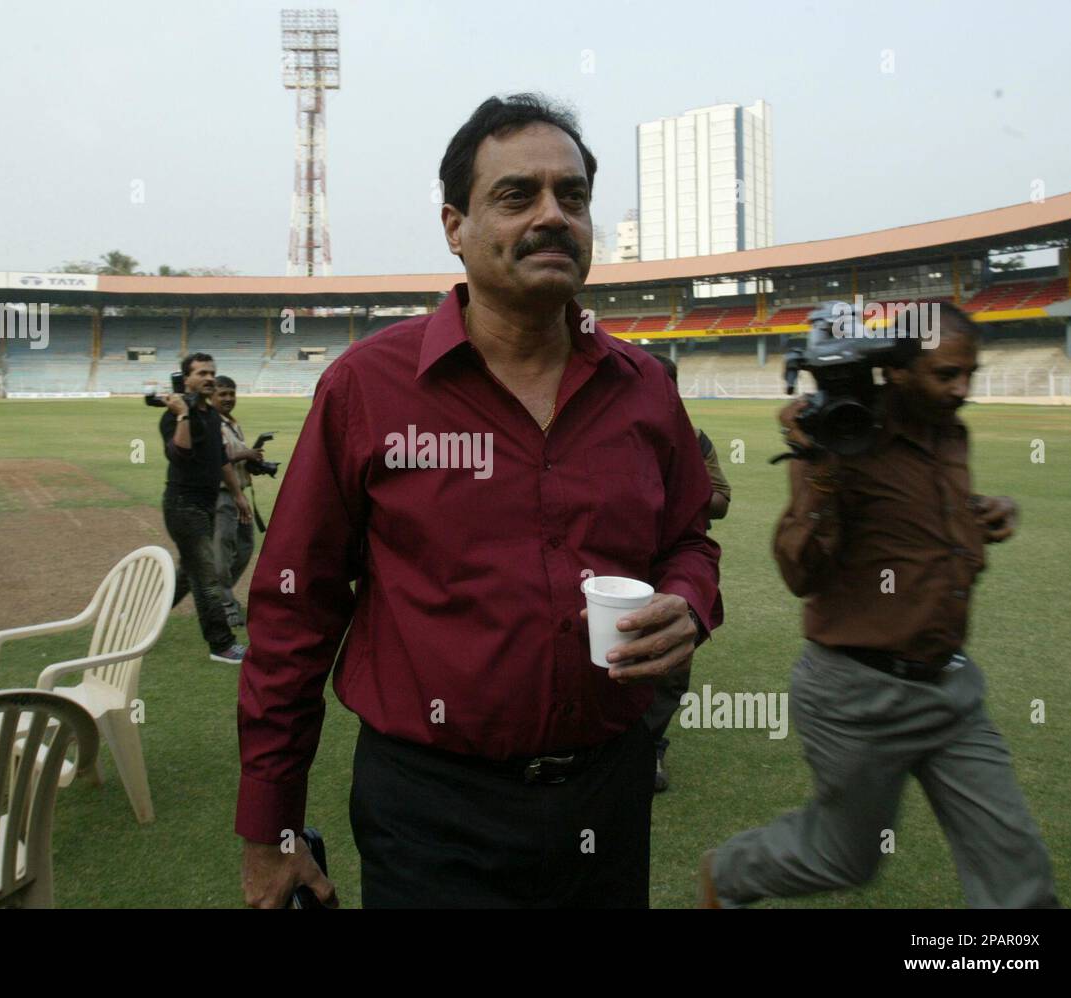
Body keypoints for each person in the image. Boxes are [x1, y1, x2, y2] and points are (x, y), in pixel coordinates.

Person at [236, 94, 722, 909]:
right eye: (516, 195)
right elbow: (295, 609)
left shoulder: (643, 389)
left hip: (607, 794)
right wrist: (270, 830)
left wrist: (688, 601)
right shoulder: (366, 389)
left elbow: (690, 539)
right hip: (430, 812)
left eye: (573, 196)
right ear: (454, 226)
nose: (552, 215)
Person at [700, 302, 1058, 909]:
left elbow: (926, 516)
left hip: (951, 687)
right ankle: (730, 874)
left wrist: (993, 510)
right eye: (947, 375)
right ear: (896, 371)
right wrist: (821, 471)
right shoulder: (844, 438)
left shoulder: (949, 431)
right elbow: (800, 571)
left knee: (1016, 870)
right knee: (843, 857)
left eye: (970, 373)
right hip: (859, 695)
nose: (962, 389)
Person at [644, 353, 731, 791]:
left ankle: (651, 750)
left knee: (671, 662)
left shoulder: (695, 440)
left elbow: (721, 500)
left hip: (677, 565)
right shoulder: (618, 432)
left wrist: (684, 483)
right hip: (623, 562)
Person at [160, 353, 250, 665]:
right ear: (186, 380)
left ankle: (138, 617)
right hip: (183, 507)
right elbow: (180, 455)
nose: (209, 378)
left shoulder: (212, 417)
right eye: (201, 373)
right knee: (206, 577)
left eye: (212, 372)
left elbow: (222, 460)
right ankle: (222, 644)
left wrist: (238, 495)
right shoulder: (172, 417)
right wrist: (183, 414)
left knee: (188, 574)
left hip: (207, 504)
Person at [211, 375, 261, 628]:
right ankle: (225, 607)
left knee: (244, 548)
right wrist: (246, 453)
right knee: (222, 553)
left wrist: (254, 462)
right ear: (212, 396)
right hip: (222, 496)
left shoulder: (232, 423)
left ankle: (220, 595)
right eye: (223, 394)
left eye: (232, 393)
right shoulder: (210, 423)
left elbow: (234, 458)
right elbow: (217, 458)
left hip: (239, 494)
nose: (228, 398)